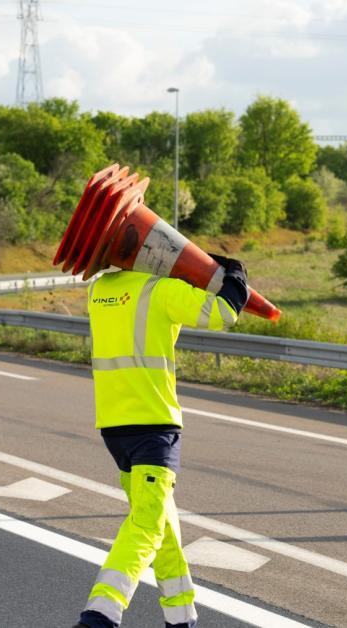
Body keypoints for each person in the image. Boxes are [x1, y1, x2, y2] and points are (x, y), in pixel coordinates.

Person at [74, 254, 249, 628]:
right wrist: (235, 275)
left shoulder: (98, 291)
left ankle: (181, 617)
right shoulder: (161, 290)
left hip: (114, 426)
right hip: (154, 425)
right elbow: (222, 313)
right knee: (147, 526)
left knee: (162, 524)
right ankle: (100, 614)